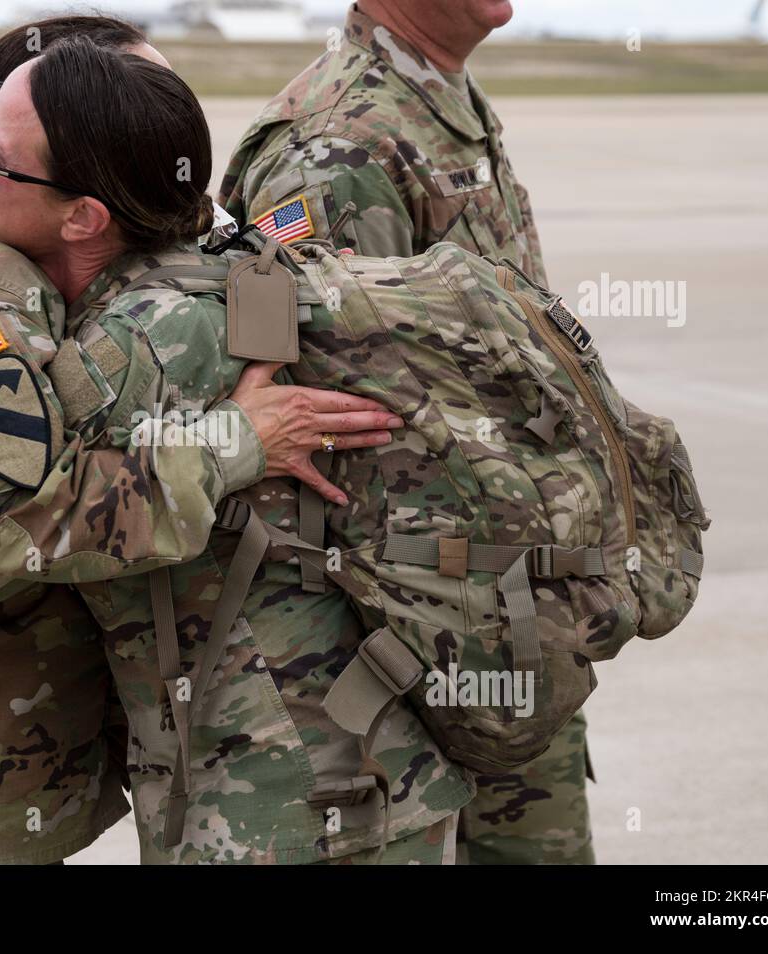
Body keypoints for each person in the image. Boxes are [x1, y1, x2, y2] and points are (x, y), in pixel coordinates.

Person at [0, 38, 475, 864]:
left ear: (84, 216)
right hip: (371, 768)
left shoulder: (129, 349)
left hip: (275, 803)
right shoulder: (244, 269)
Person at [219, 0, 593, 865]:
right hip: (422, 642)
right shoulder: (338, 145)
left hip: (505, 609)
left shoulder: (445, 105)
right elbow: (333, 426)